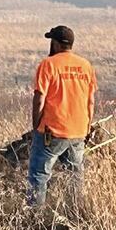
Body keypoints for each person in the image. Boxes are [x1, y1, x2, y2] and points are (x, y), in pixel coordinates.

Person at [27, 25, 96, 207]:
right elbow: (91, 100)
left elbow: (39, 98)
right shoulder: (85, 66)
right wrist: (87, 127)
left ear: (56, 44)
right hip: (78, 131)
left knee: (39, 176)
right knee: (75, 177)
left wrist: (36, 125)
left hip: (52, 132)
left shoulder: (48, 65)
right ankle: (76, 214)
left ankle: (35, 218)